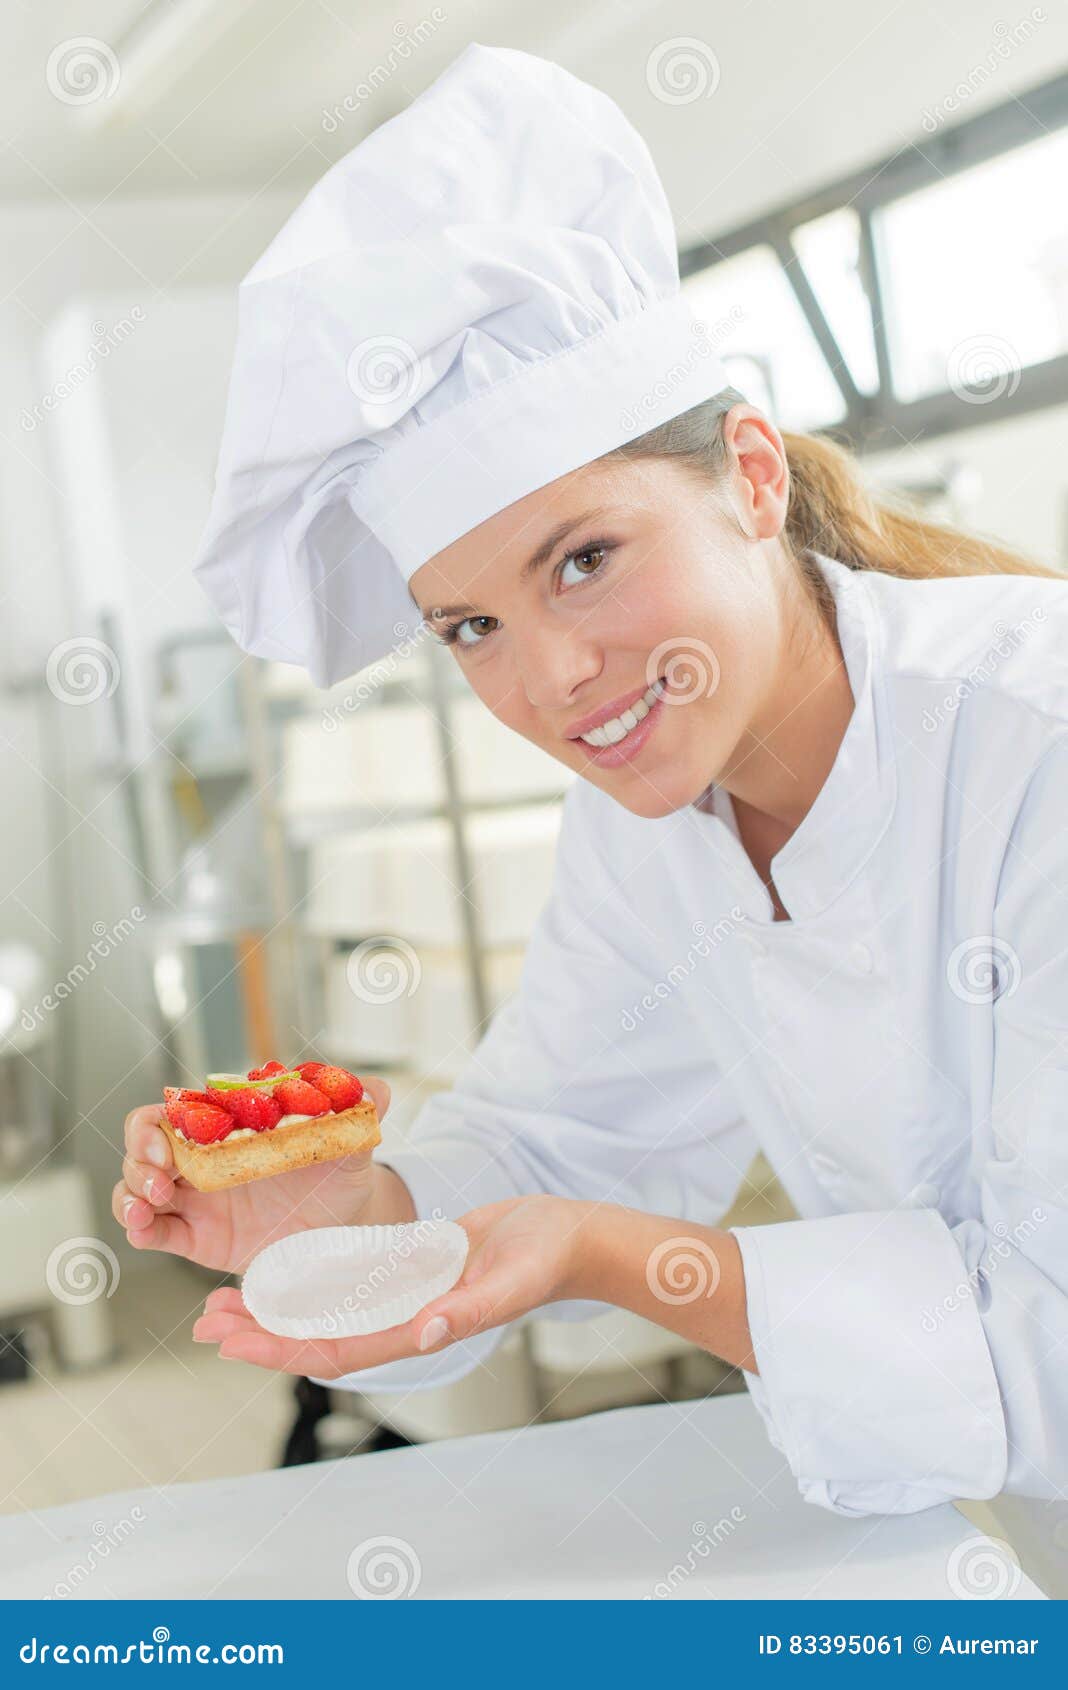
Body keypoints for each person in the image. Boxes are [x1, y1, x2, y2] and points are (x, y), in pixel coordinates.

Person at [115, 44, 1068, 1535]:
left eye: (586, 557)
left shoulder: (1038, 741)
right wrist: (358, 1222)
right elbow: (554, 1143)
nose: (551, 675)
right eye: (471, 626)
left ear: (752, 475)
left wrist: (609, 1255)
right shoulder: (651, 825)